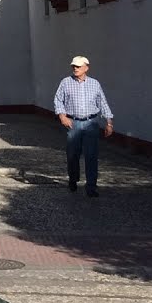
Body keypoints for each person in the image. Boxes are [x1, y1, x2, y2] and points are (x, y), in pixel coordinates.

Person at [54, 55, 115, 198]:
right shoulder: (66, 82)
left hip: (91, 123)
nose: (75, 68)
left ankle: (91, 187)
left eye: (78, 66)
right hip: (73, 123)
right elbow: (58, 100)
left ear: (86, 67)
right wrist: (62, 116)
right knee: (72, 155)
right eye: (73, 66)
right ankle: (73, 179)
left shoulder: (94, 84)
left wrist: (109, 122)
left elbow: (102, 103)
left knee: (91, 155)